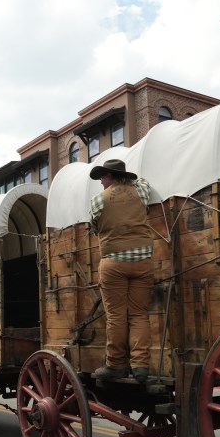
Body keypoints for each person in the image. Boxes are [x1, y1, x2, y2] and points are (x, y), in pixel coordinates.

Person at [89, 159, 155, 383]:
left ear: (109, 176)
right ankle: (140, 367)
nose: (101, 182)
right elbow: (144, 182)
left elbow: (95, 226)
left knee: (116, 315)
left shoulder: (99, 200)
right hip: (143, 261)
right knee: (138, 314)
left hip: (114, 262)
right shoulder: (141, 191)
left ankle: (116, 365)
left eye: (102, 178)